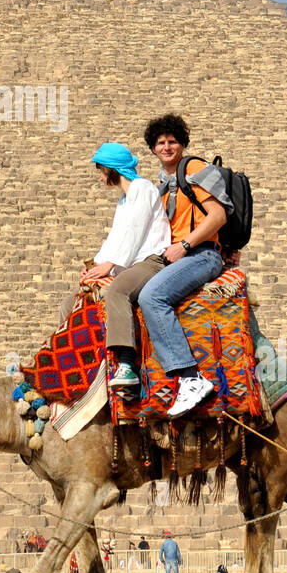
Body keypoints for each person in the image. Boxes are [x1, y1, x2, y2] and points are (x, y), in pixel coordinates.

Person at [97, 116, 232, 411]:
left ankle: (189, 377)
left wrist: (186, 245)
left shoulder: (195, 170)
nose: (167, 146)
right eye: (160, 142)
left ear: (182, 143)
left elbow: (218, 216)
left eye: (172, 141)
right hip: (175, 257)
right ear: (153, 149)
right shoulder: (160, 186)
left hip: (200, 254)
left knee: (152, 295)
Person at [78, 142, 170, 394]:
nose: (99, 177)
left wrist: (109, 265)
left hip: (151, 262)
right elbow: (115, 238)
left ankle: (127, 364)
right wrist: (96, 266)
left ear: (112, 169)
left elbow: (134, 232)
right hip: (128, 264)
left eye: (101, 170)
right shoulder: (124, 200)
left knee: (117, 291)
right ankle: (87, 365)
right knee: (78, 300)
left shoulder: (143, 188)